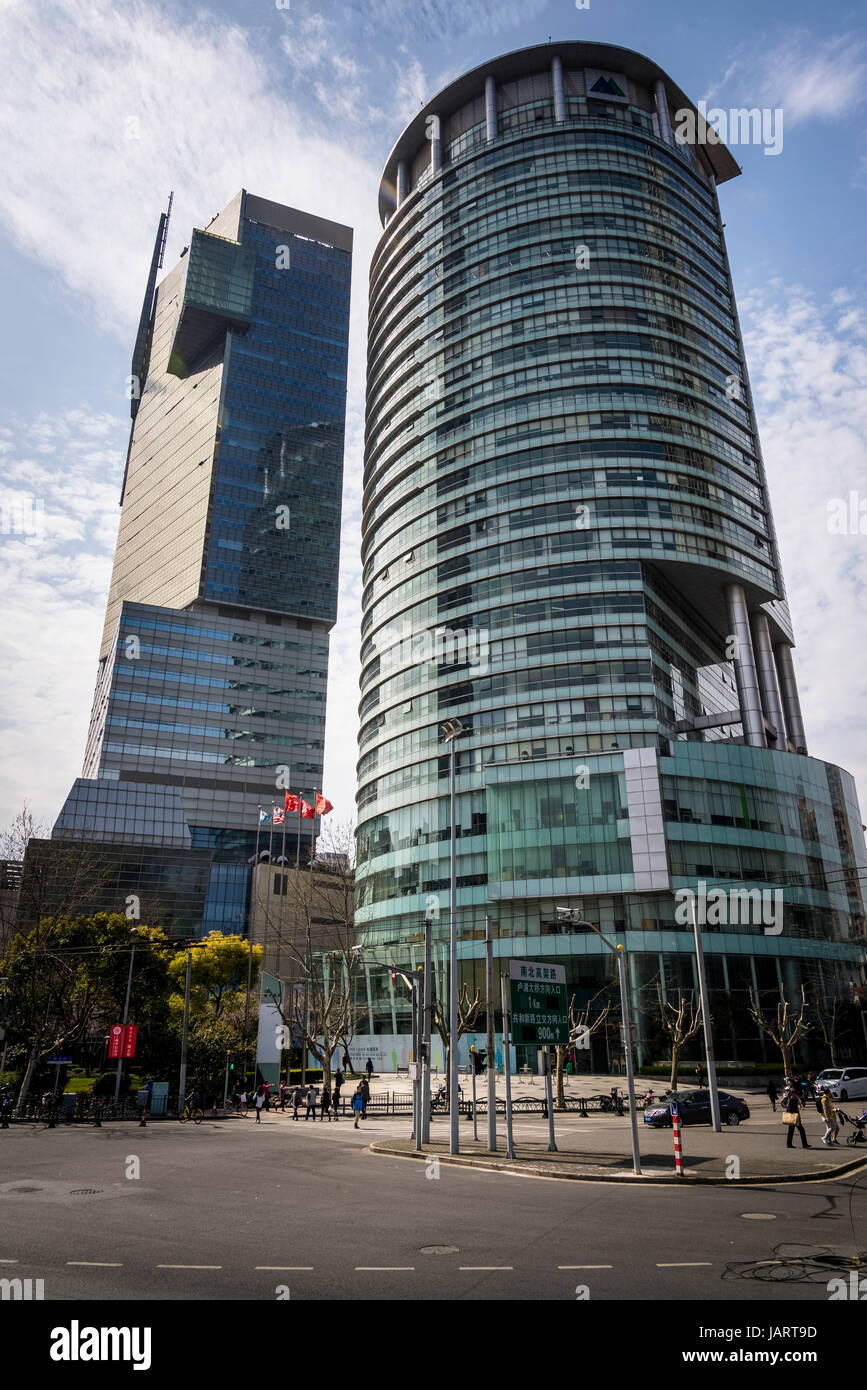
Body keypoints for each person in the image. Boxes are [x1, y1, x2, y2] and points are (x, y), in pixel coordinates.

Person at [782, 1082, 810, 1150]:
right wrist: (796, 1110)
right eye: (795, 1094)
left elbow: (799, 1100)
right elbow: (789, 1108)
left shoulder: (794, 1098)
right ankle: (804, 1144)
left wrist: (801, 1106)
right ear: (793, 1094)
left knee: (792, 1131)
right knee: (800, 1130)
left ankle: (790, 1144)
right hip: (794, 1117)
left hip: (795, 1117)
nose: (796, 1095)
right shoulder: (792, 1100)